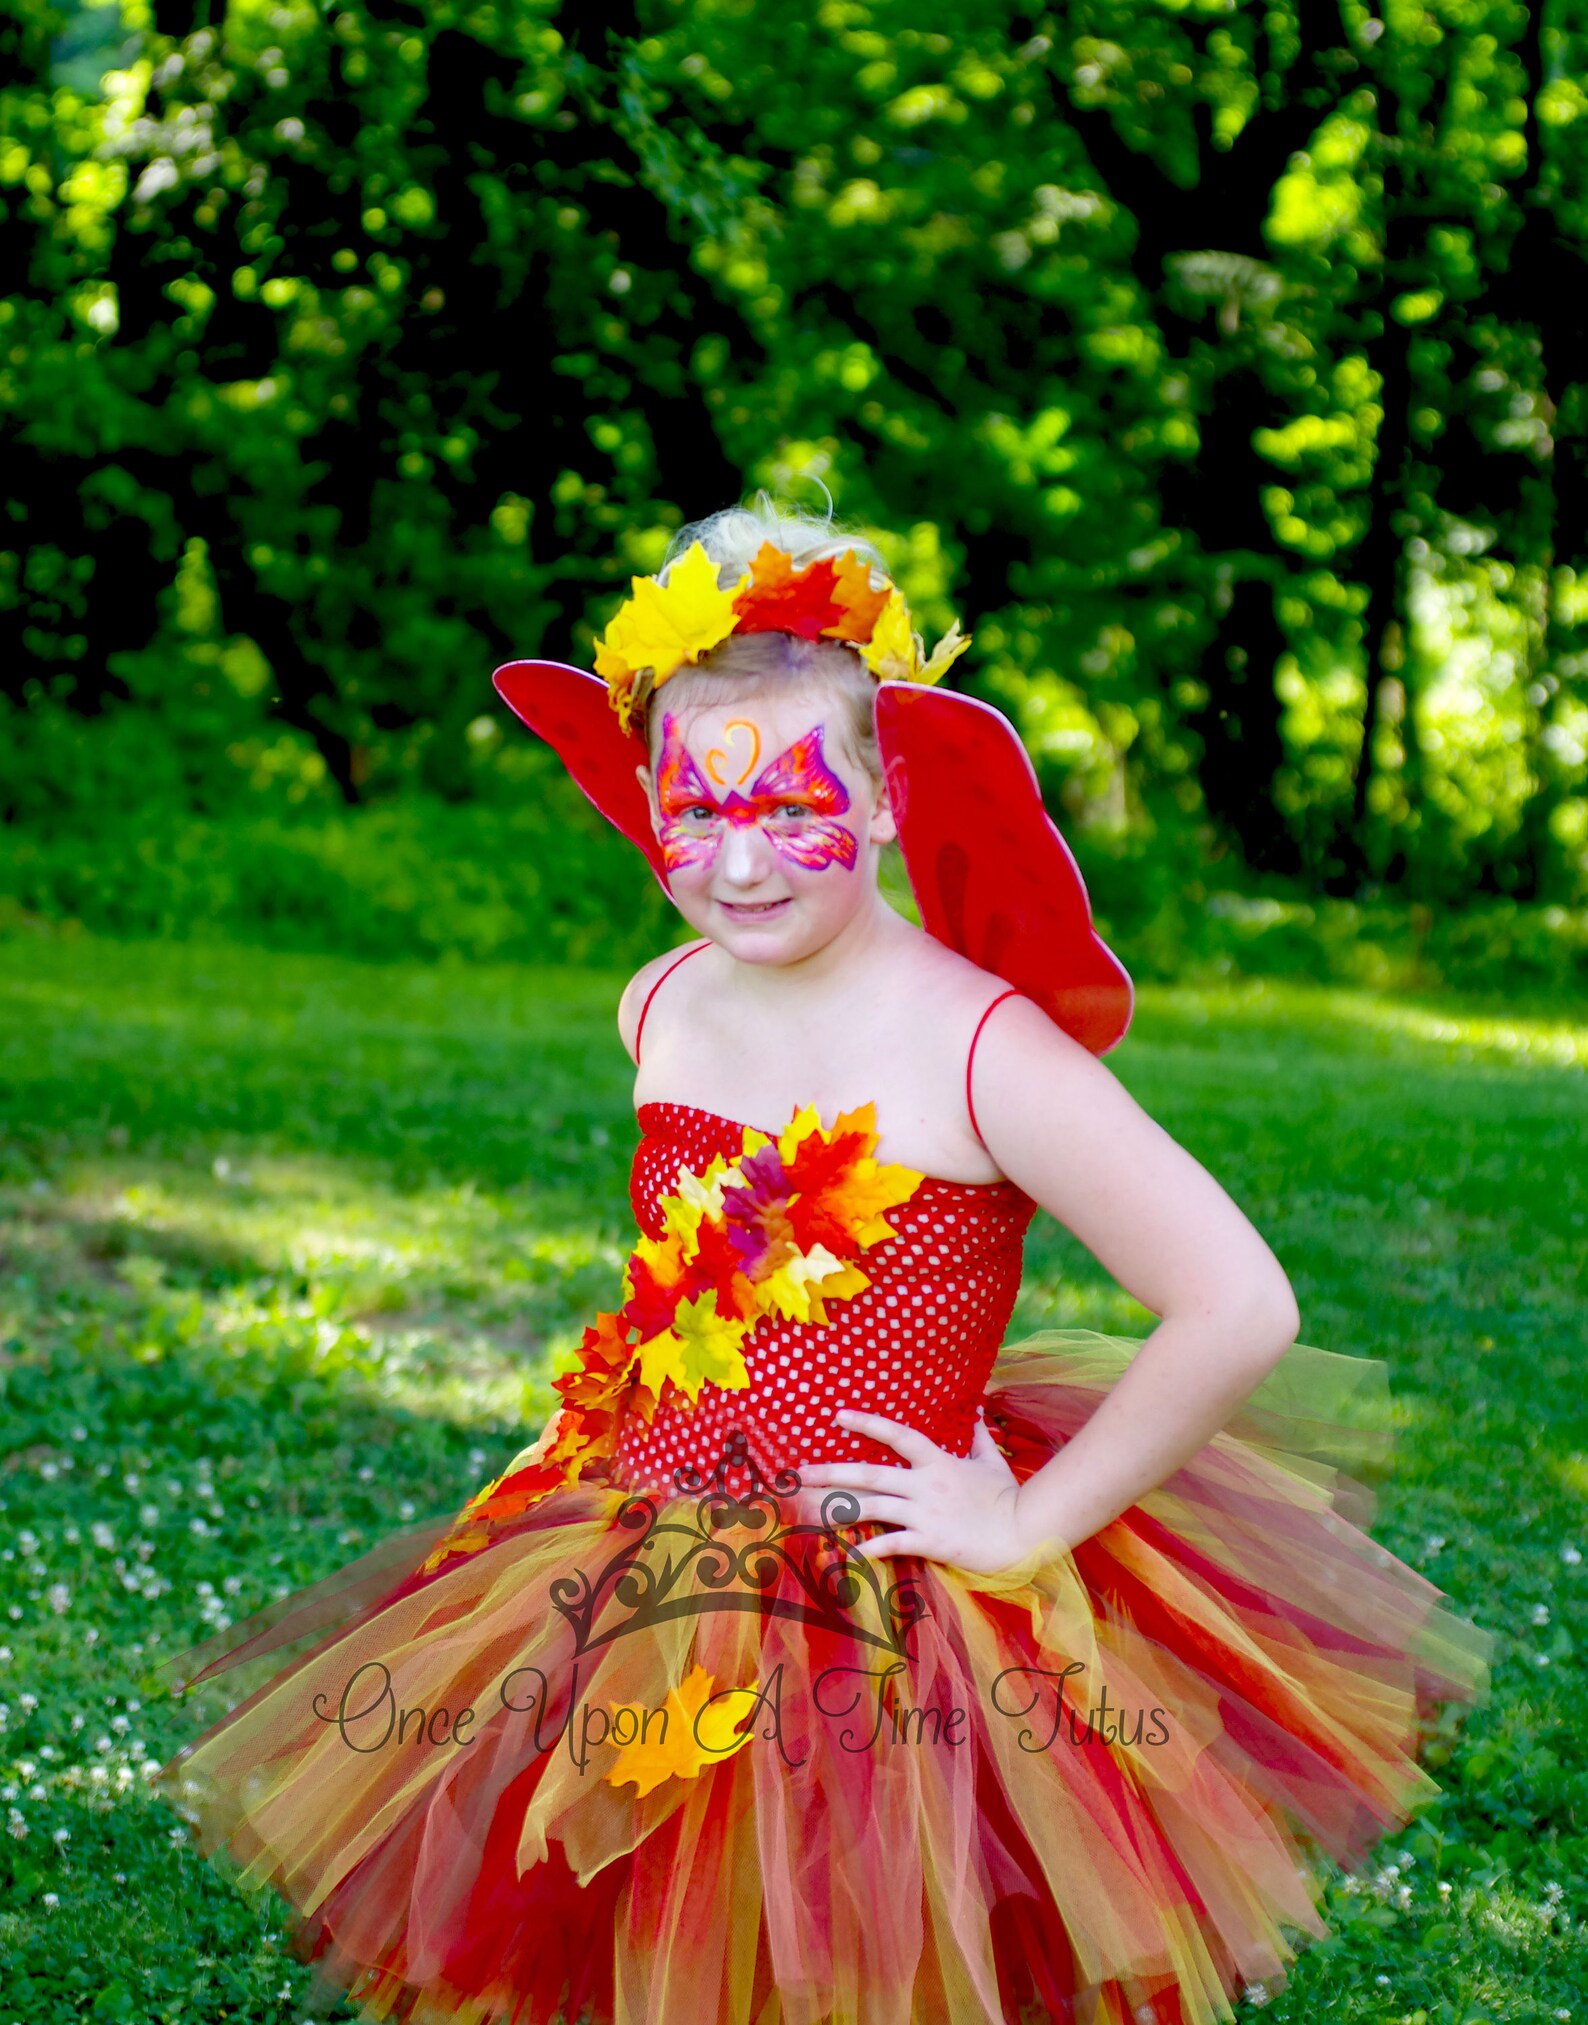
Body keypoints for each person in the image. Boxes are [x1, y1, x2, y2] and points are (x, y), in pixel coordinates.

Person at [156, 499, 1490, 2025]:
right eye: (692, 810)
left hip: (875, 1605)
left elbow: (1238, 1299)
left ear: (886, 789)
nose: (738, 863)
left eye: (790, 804)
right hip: (636, 1542)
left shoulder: (984, 1046)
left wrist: (1023, 1517)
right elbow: (694, 1278)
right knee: (639, 1928)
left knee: (849, 1946)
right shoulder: (661, 1004)